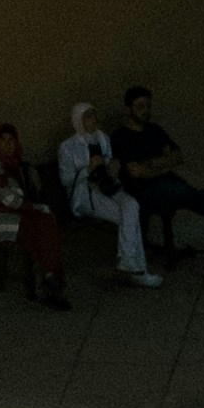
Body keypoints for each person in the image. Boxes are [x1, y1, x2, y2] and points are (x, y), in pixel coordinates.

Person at [107, 86, 204, 285]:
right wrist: (161, 163)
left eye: (148, 105)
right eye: (140, 106)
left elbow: (178, 156)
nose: (146, 110)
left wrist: (151, 164)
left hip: (173, 185)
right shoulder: (121, 136)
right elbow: (136, 172)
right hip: (146, 192)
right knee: (187, 192)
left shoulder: (155, 130)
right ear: (128, 109)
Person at [52, 104, 155, 287]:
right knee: (129, 216)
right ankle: (138, 270)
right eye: (87, 117)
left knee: (131, 205)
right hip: (86, 195)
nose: (93, 120)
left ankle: (129, 262)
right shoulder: (68, 147)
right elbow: (66, 180)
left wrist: (111, 167)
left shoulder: (103, 139)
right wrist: (87, 169)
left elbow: (110, 168)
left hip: (108, 187)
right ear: (79, 121)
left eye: (94, 115)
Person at [0, 122, 67, 311]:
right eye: (2, 141)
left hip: (23, 214)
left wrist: (37, 202)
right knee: (35, 226)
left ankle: (50, 277)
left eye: (11, 140)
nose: (7, 145)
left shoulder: (23, 167)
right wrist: (36, 207)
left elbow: (34, 193)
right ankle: (42, 283)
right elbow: (10, 200)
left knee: (48, 222)